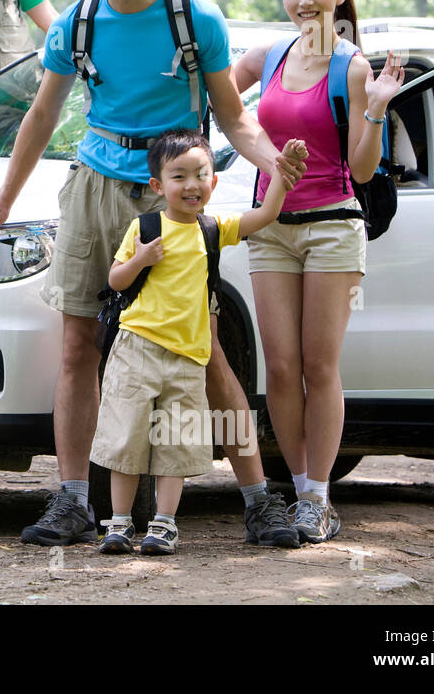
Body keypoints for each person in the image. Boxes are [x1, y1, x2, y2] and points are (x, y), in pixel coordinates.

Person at [0, 0, 306, 549]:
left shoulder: (195, 19)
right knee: (78, 345)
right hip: (94, 187)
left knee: (202, 351)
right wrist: (2, 198)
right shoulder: (75, 25)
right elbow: (43, 114)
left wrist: (271, 159)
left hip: (174, 198)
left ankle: (259, 500)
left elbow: (233, 116)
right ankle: (74, 500)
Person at [231, 0, 403, 543]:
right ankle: (297, 485)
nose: (304, 1)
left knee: (318, 365)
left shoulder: (353, 67)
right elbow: (220, 97)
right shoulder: (267, 54)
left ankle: (318, 498)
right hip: (269, 226)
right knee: (279, 366)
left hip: (332, 225)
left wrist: (377, 109)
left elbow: (360, 169)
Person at [94, 130, 304, 555]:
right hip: (136, 349)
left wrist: (282, 176)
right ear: (158, 186)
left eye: (200, 175)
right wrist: (141, 259)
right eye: (179, 176)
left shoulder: (213, 229)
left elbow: (264, 215)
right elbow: (116, 279)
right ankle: (118, 524)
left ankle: (164, 525)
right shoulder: (146, 226)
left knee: (176, 442)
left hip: (189, 359)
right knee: (126, 438)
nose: (191, 185)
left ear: (214, 181)